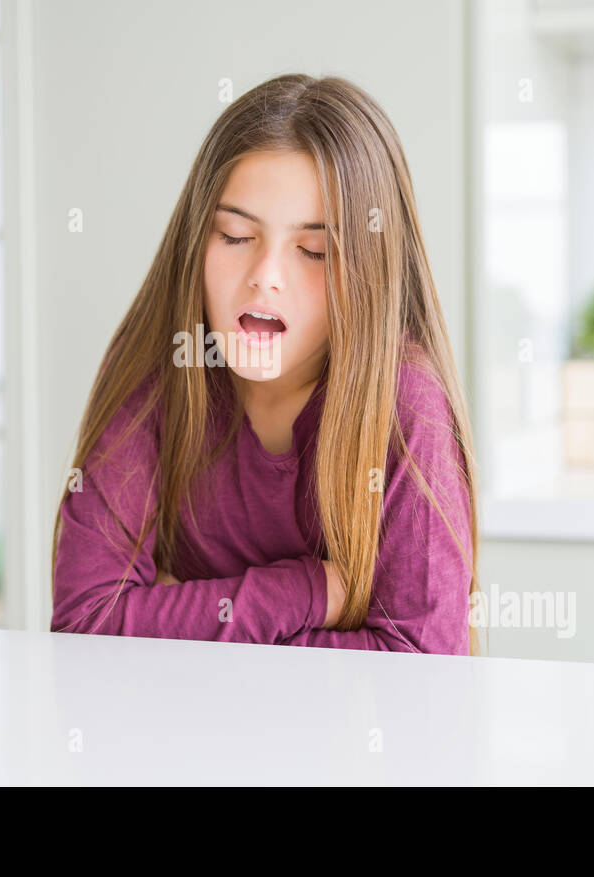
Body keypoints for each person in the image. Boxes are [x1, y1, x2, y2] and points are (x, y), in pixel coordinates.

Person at [50, 73, 481, 654]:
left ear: (371, 272)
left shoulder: (404, 399)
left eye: (314, 252)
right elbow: (85, 626)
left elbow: (421, 669)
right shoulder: (159, 367)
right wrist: (313, 591)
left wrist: (184, 612)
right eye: (233, 235)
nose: (265, 275)